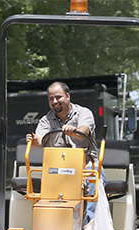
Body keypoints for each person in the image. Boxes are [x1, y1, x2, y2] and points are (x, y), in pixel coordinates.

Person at [26, 81, 101, 222]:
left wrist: (74, 132)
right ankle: (50, 227)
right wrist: (34, 140)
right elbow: (39, 141)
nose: (55, 101)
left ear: (67, 96)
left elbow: (83, 130)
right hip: (58, 168)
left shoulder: (84, 113)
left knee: (95, 183)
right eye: (51, 98)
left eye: (58, 97)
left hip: (86, 165)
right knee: (48, 182)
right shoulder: (45, 121)